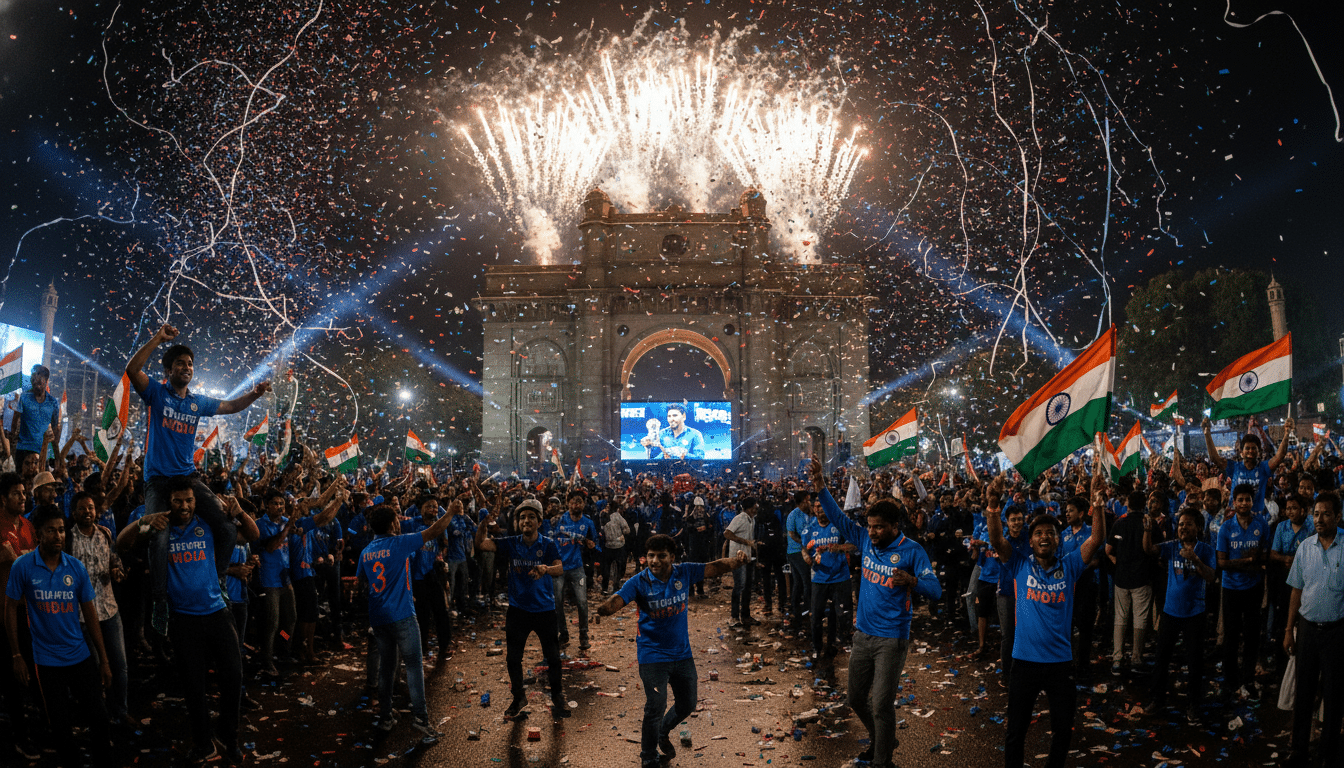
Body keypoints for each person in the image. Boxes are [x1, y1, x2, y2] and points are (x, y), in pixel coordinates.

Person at [125, 323, 271, 634]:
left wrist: (255, 394)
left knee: (226, 528)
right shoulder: (156, 393)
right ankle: (160, 600)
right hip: (158, 480)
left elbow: (231, 406)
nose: (187, 367)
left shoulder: (197, 403)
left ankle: (218, 581)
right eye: (180, 363)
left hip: (188, 477)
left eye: (190, 364)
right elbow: (132, 369)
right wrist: (158, 338)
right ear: (168, 370)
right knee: (159, 536)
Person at [115, 478, 260, 764]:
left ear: (197, 501)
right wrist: (144, 522)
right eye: (178, 501)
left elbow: (251, 535)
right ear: (168, 503)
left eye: (190, 500)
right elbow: (122, 543)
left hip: (217, 612)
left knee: (233, 676)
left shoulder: (208, 526)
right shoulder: (159, 532)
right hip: (183, 619)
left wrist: (239, 512)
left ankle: (228, 735)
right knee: (194, 686)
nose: (184, 506)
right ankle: (203, 743)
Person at [810, 458, 940, 768]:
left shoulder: (912, 551)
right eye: (870, 526)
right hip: (863, 636)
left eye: (879, 527)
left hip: (892, 639)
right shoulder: (864, 540)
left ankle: (883, 761)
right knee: (855, 699)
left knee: (881, 704)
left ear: (895, 527)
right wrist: (820, 485)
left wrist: (912, 581)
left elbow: (935, 590)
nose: (873, 532)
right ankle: (883, 738)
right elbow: (837, 517)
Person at [593, 534, 747, 768]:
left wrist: (736, 561)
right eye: (651, 556)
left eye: (661, 556)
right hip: (652, 655)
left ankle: (663, 732)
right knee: (656, 705)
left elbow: (714, 567)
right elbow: (618, 599)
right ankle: (648, 758)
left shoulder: (684, 572)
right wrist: (603, 610)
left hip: (682, 654)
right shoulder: (638, 582)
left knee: (688, 703)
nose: (655, 561)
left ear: (672, 557)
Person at [985, 472, 1105, 768]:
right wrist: (992, 506)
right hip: (1024, 663)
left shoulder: (1071, 565)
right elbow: (997, 539)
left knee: (1063, 731)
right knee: (1016, 732)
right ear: (1031, 540)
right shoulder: (1019, 564)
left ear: (1057, 539)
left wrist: (1098, 504)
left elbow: (1096, 539)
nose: (1044, 537)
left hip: (1060, 663)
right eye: (1038, 533)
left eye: (1050, 533)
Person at [5, 507, 114, 768]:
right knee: (61, 727)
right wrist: (16, 654)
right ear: (39, 534)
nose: (58, 536)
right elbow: (9, 609)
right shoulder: (23, 566)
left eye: (62, 530)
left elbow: (90, 615)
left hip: (79, 655)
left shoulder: (75, 567)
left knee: (99, 719)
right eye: (51, 530)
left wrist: (104, 659)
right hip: (46, 662)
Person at [356, 502, 454, 742]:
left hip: (378, 617)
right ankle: (421, 719)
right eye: (397, 520)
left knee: (387, 668)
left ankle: (385, 717)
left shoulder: (366, 551)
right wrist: (450, 512)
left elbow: (362, 582)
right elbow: (433, 531)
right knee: (413, 666)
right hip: (402, 615)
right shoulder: (400, 543)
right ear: (392, 524)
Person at [473, 498, 570, 719]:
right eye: (523, 517)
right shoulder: (510, 543)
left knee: (553, 658)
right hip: (518, 610)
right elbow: (481, 544)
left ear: (539, 522)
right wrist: (483, 523)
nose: (526, 520)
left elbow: (560, 568)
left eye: (531, 517)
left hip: (545, 610)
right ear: (518, 522)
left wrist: (545, 569)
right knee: (513, 659)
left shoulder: (547, 544)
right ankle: (518, 698)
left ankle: (558, 696)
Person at [1283, 491, 1344, 768]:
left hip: (1337, 632)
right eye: (1316, 514)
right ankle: (1298, 751)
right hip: (1307, 630)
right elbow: (1296, 590)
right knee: (1304, 693)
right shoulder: (1305, 547)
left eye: (1326, 514)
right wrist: (1289, 629)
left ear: (1338, 517)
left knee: (1333, 695)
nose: (1319, 519)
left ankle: (1327, 754)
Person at [1143, 508, 1217, 719]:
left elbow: (1211, 577)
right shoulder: (1172, 546)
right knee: (1162, 658)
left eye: (1188, 524)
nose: (1183, 528)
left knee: (1194, 661)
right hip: (1170, 611)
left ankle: (1193, 704)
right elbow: (1149, 550)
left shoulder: (1206, 550)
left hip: (1195, 613)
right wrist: (1147, 531)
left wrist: (1195, 559)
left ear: (1198, 528)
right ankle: (1157, 699)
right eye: (1181, 524)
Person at [67, 490, 132, 727]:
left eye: (91, 508)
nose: (87, 512)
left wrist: (117, 571)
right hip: (82, 616)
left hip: (109, 609)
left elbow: (114, 560)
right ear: (74, 513)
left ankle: (120, 711)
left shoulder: (105, 534)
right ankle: (99, 716)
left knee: (119, 666)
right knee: (93, 669)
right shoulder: (67, 539)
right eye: (82, 508)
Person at [1216, 482, 1271, 699]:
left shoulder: (1262, 524)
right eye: (1240, 500)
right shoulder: (1226, 528)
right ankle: (1230, 680)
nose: (1244, 503)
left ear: (1252, 502)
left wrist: (1255, 563)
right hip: (1231, 588)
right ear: (1234, 502)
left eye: (1247, 499)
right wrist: (1248, 561)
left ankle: (1248, 678)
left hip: (1254, 588)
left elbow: (1265, 555)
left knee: (1251, 635)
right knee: (1231, 635)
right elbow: (1222, 563)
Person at [1203, 416, 1293, 515]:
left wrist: (1287, 433)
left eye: (1254, 448)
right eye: (1247, 448)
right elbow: (1214, 458)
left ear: (1259, 452)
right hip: (1235, 516)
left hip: (1256, 517)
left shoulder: (1264, 468)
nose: (1250, 451)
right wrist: (1207, 433)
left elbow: (1279, 456)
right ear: (1241, 452)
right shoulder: (1234, 467)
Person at [1107, 490, 1155, 676]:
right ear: (1144, 504)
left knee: (1120, 618)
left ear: (1128, 503)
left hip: (1121, 578)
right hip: (1142, 577)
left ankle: (1117, 659)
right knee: (1140, 618)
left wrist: (1118, 563)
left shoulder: (1119, 523)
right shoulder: (1149, 523)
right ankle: (1136, 659)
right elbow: (1153, 549)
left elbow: (1108, 550)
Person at [800, 498, 855, 659]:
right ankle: (816, 647)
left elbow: (854, 544)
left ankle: (838, 643)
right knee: (816, 616)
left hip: (840, 577)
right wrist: (805, 556)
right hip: (819, 579)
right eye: (816, 506)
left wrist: (839, 548)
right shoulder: (809, 529)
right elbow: (804, 548)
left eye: (821, 506)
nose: (818, 509)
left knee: (841, 614)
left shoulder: (839, 525)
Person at [547, 490, 598, 651]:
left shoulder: (588, 523)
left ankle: (584, 635)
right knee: (557, 603)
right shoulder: (558, 520)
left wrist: (591, 546)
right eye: (573, 501)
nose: (576, 505)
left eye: (579, 501)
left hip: (577, 568)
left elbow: (595, 544)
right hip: (559, 567)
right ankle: (563, 634)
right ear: (568, 503)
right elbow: (548, 538)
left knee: (582, 602)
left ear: (584, 504)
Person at [10, 365, 60, 471]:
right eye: (33, 380)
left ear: (46, 381)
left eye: (39, 381)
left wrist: (56, 455)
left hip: (43, 451)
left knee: (40, 480)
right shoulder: (24, 397)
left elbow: (55, 429)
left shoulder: (53, 402)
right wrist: (12, 444)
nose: (35, 383)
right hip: (23, 449)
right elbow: (14, 422)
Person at [722, 496, 760, 630]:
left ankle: (745, 616)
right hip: (737, 558)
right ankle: (734, 617)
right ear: (749, 508)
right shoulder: (739, 518)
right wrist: (746, 542)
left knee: (747, 587)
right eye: (755, 506)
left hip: (747, 557)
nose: (757, 509)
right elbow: (727, 533)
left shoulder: (752, 519)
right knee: (739, 586)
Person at [785, 491, 814, 634]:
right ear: (799, 503)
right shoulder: (793, 515)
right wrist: (803, 544)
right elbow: (792, 534)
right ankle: (806, 610)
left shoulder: (811, 513)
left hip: (807, 550)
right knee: (806, 580)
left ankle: (796, 608)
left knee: (798, 582)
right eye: (806, 501)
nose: (808, 503)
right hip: (795, 551)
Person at [640, 405, 705, 463]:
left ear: (684, 416)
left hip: (688, 471)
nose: (671, 419)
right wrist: (648, 447)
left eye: (675, 416)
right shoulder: (660, 434)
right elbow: (652, 460)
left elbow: (700, 458)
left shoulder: (695, 434)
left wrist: (683, 455)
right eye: (669, 416)